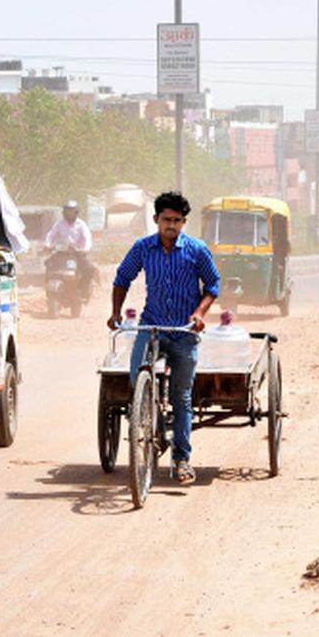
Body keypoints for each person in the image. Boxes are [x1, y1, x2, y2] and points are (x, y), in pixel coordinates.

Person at [108, 191, 220, 486]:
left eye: (177, 220)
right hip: (151, 327)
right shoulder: (143, 248)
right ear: (156, 219)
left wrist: (199, 314)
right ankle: (146, 415)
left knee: (182, 397)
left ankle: (181, 459)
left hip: (184, 332)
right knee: (137, 379)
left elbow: (213, 285)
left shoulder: (196, 250)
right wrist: (115, 312)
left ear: (184, 222)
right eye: (166, 219)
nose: (171, 225)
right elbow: (122, 279)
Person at [45, 199, 96, 298]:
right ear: (64, 212)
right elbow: (51, 235)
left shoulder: (81, 225)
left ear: (76, 212)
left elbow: (87, 239)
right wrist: (48, 245)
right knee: (47, 264)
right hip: (62, 252)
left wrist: (85, 249)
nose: (69, 214)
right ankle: (49, 290)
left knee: (90, 269)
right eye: (67, 211)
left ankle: (83, 289)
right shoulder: (59, 224)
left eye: (72, 212)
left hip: (77, 254)